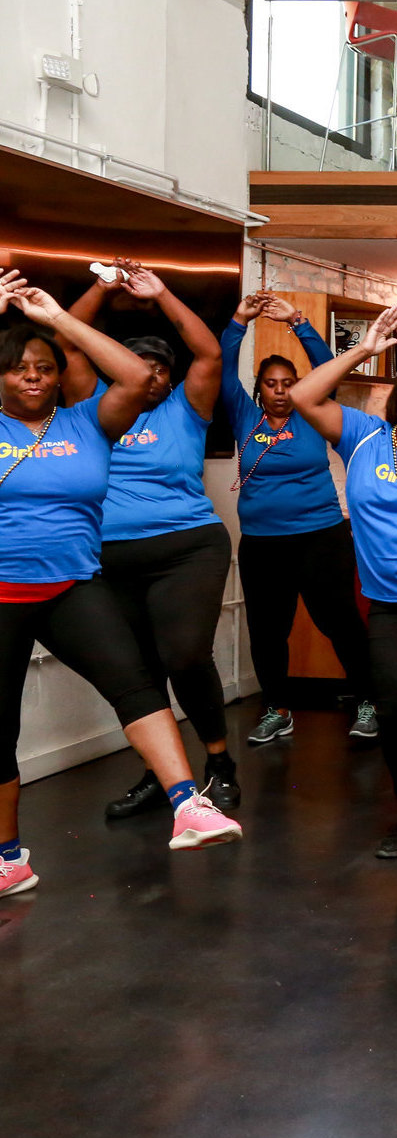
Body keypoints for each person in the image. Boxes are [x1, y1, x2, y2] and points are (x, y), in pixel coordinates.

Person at [1, 271, 240, 897]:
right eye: (19, 368)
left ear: (62, 375)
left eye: (45, 368)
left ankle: (189, 803)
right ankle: (8, 858)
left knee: (137, 683)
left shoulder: (88, 421)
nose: (34, 376)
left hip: (73, 585)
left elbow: (134, 377)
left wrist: (56, 317)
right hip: (3, 594)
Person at [52, 263, 239, 818]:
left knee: (184, 655)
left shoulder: (187, 407)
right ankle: (164, 775)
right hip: (109, 557)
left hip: (188, 545)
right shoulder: (94, 410)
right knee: (138, 673)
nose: (151, 377)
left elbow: (208, 355)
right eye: (140, 367)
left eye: (160, 369)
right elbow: (68, 345)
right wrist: (100, 289)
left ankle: (219, 764)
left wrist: (161, 294)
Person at [288, 307, 397, 859]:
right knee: (395, 713)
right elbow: (304, 397)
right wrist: (363, 350)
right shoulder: (362, 437)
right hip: (393, 603)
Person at [220, 292, 376, 747]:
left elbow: (328, 366)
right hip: (262, 543)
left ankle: (368, 700)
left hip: (320, 537)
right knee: (268, 631)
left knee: (340, 622)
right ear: (260, 388)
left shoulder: (313, 415)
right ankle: (277, 708)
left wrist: (298, 322)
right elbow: (224, 369)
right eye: (271, 383)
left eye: (288, 382)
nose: (282, 390)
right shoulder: (243, 417)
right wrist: (238, 321)